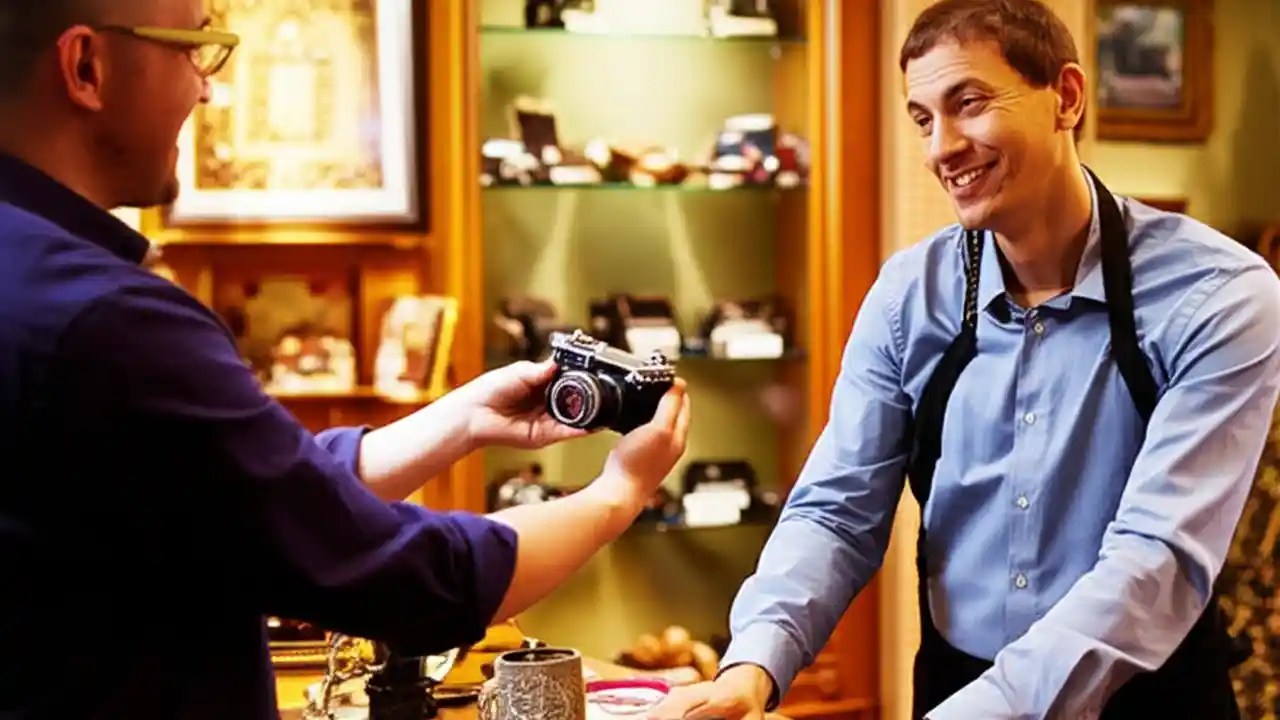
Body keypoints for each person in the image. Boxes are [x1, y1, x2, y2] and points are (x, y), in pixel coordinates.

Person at [0, 1, 691, 718]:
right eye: (193, 50)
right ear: (87, 67)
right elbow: (401, 578)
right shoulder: (110, 318)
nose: (208, 89)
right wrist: (617, 495)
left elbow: (246, 492)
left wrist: (457, 423)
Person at [648, 1, 1280, 719]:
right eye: (923, 118)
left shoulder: (1219, 296)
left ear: (1066, 98)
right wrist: (752, 666)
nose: (940, 147)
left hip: (1147, 700)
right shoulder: (908, 297)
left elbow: (1156, 559)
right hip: (956, 688)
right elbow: (836, 510)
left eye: (969, 104)